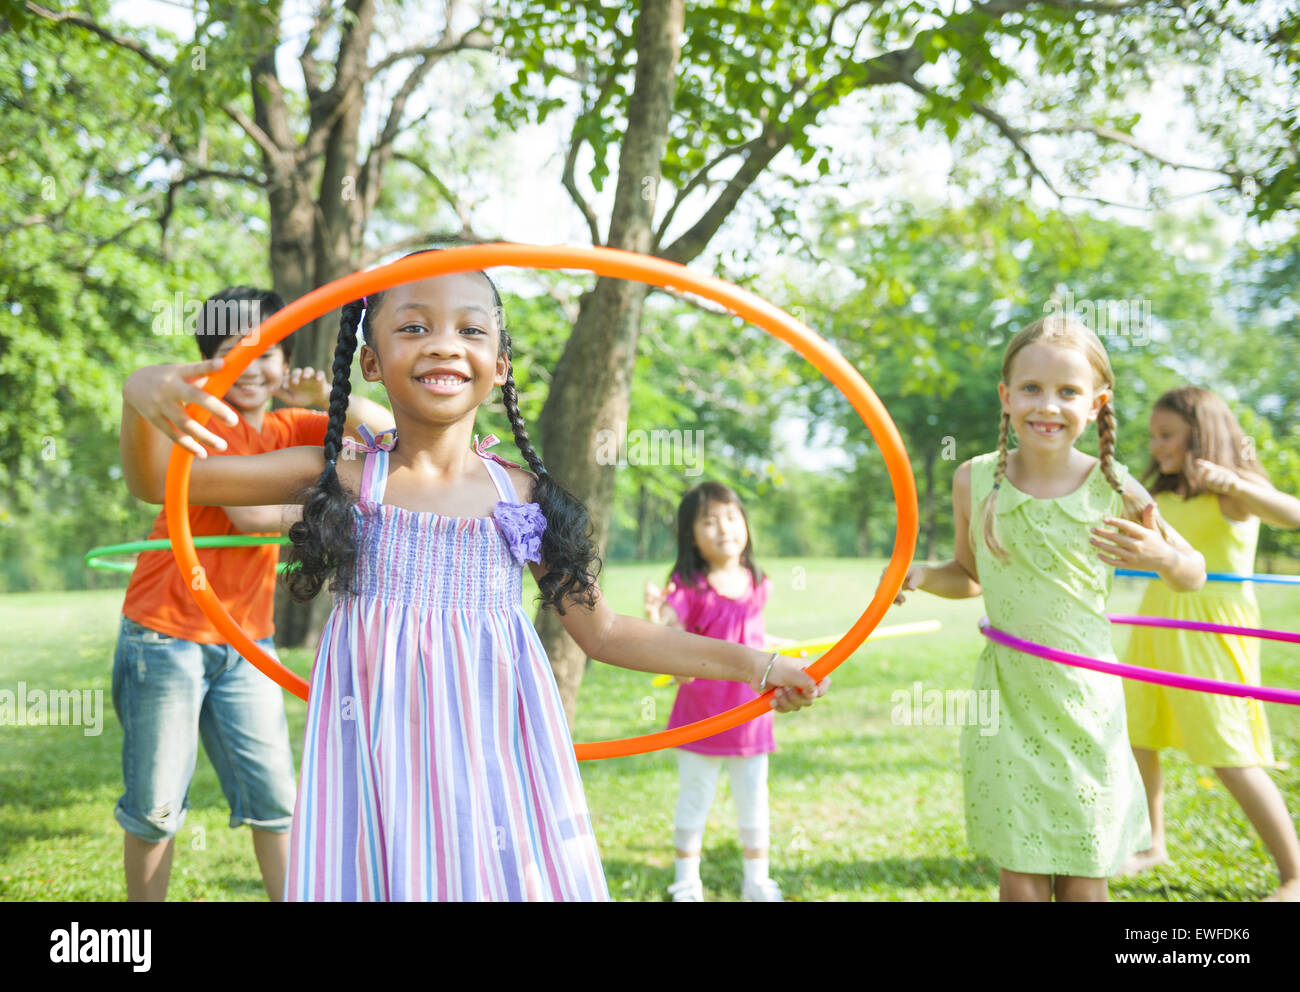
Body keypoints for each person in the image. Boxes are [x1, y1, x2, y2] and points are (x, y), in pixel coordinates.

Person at [119, 259, 828, 901]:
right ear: (369, 359)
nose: (443, 343)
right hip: (377, 765)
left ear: (501, 364)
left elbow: (605, 631)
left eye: (470, 328)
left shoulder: (522, 498)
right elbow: (159, 481)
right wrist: (139, 389)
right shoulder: (336, 476)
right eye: (414, 327)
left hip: (494, 768)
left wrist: (756, 665)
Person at [891, 313, 1206, 901]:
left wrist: (1163, 554)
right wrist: (924, 575)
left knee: (1085, 870)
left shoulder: (1112, 486)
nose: (1048, 405)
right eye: (1032, 389)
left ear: (1095, 404)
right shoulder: (975, 480)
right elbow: (969, 577)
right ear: (1007, 397)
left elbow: (1194, 573)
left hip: (1085, 701)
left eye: (1067, 392)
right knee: (1021, 870)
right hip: (1008, 696)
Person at [115, 286, 393, 901]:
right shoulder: (202, 425)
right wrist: (334, 510)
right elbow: (253, 517)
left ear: (285, 358)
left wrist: (331, 399)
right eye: (230, 350)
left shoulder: (295, 424)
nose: (251, 364)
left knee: (277, 800)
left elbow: (390, 435)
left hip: (245, 640)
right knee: (158, 804)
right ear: (205, 362)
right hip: (165, 633)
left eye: (266, 350)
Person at [1120, 385, 1300, 901]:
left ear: (1202, 433)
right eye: (1154, 435)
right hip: (1157, 619)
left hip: (1214, 630)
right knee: (1141, 735)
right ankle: (1152, 843)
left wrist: (1235, 479)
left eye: (1167, 434)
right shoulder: (1165, 496)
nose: (1156, 445)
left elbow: (1293, 514)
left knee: (1228, 751)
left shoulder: (1234, 493)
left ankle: (1294, 873)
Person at [644, 481, 795, 903]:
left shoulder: (757, 582)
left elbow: (752, 635)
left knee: (754, 803)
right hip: (701, 719)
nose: (723, 528)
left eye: (731, 517)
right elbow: (672, 641)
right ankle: (686, 884)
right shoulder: (688, 587)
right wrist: (657, 617)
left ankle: (757, 881)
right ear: (690, 535)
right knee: (695, 800)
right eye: (708, 521)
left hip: (751, 719)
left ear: (745, 522)